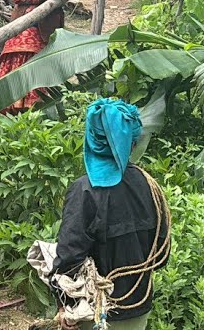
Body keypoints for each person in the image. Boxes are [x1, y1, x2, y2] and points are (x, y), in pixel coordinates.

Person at [50, 98, 170, 329]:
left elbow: (69, 258)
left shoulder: (84, 191)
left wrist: (65, 306)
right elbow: (161, 255)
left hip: (95, 312)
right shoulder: (149, 186)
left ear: (92, 140)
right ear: (131, 143)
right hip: (139, 309)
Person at [0, 0, 72, 114]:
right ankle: (11, 102)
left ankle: (32, 103)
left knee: (35, 60)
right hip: (20, 22)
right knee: (15, 55)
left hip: (44, 28)